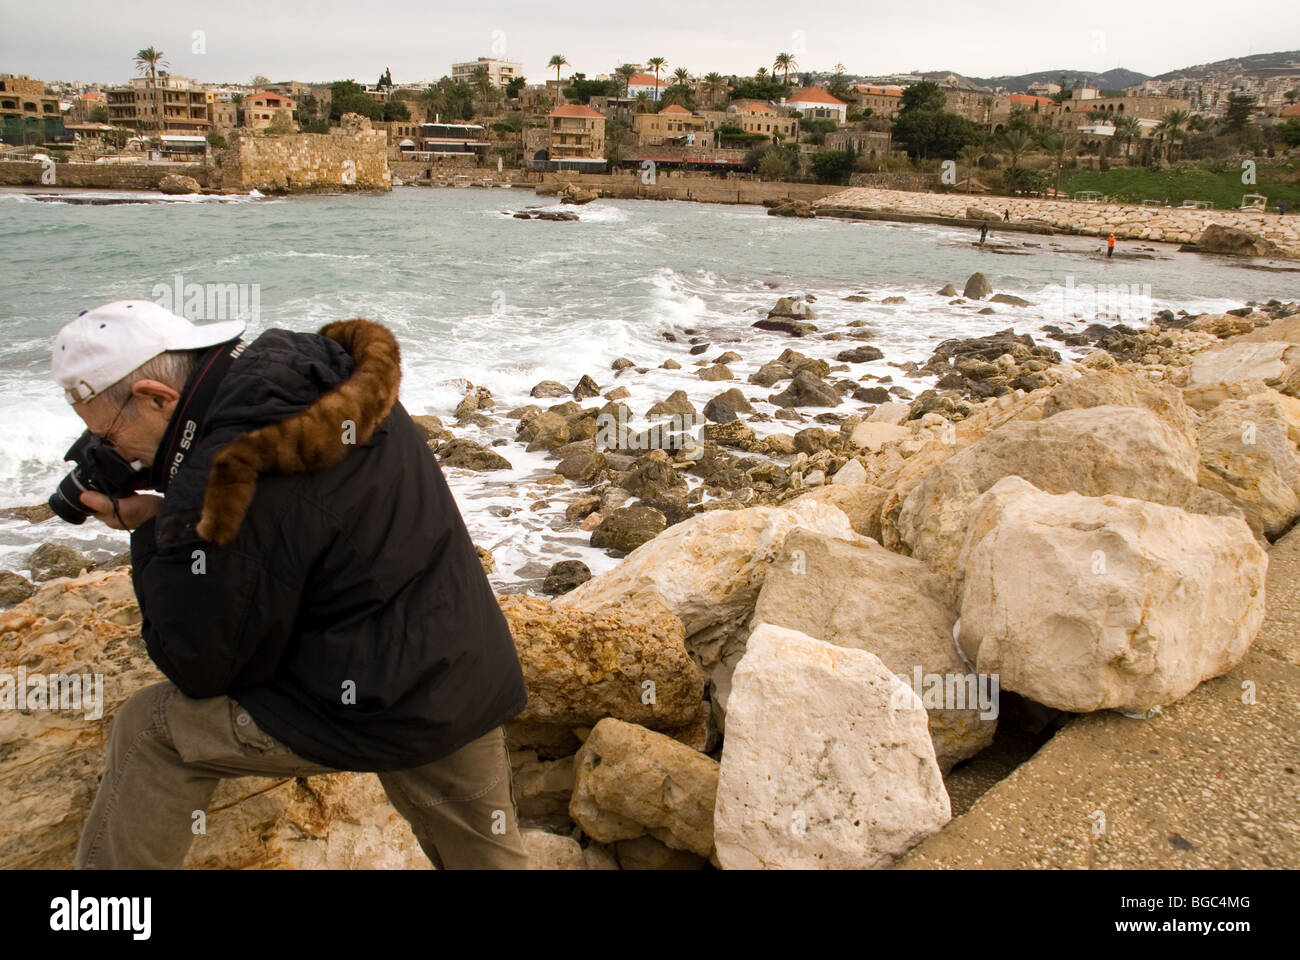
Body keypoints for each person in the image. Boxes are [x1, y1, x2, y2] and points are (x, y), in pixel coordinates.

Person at [55, 300, 530, 870]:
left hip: (374, 703)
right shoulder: (327, 376)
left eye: (107, 434)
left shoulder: (227, 478)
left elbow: (198, 666)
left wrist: (153, 529)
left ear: (157, 397)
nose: (113, 453)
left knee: (152, 731)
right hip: (462, 671)